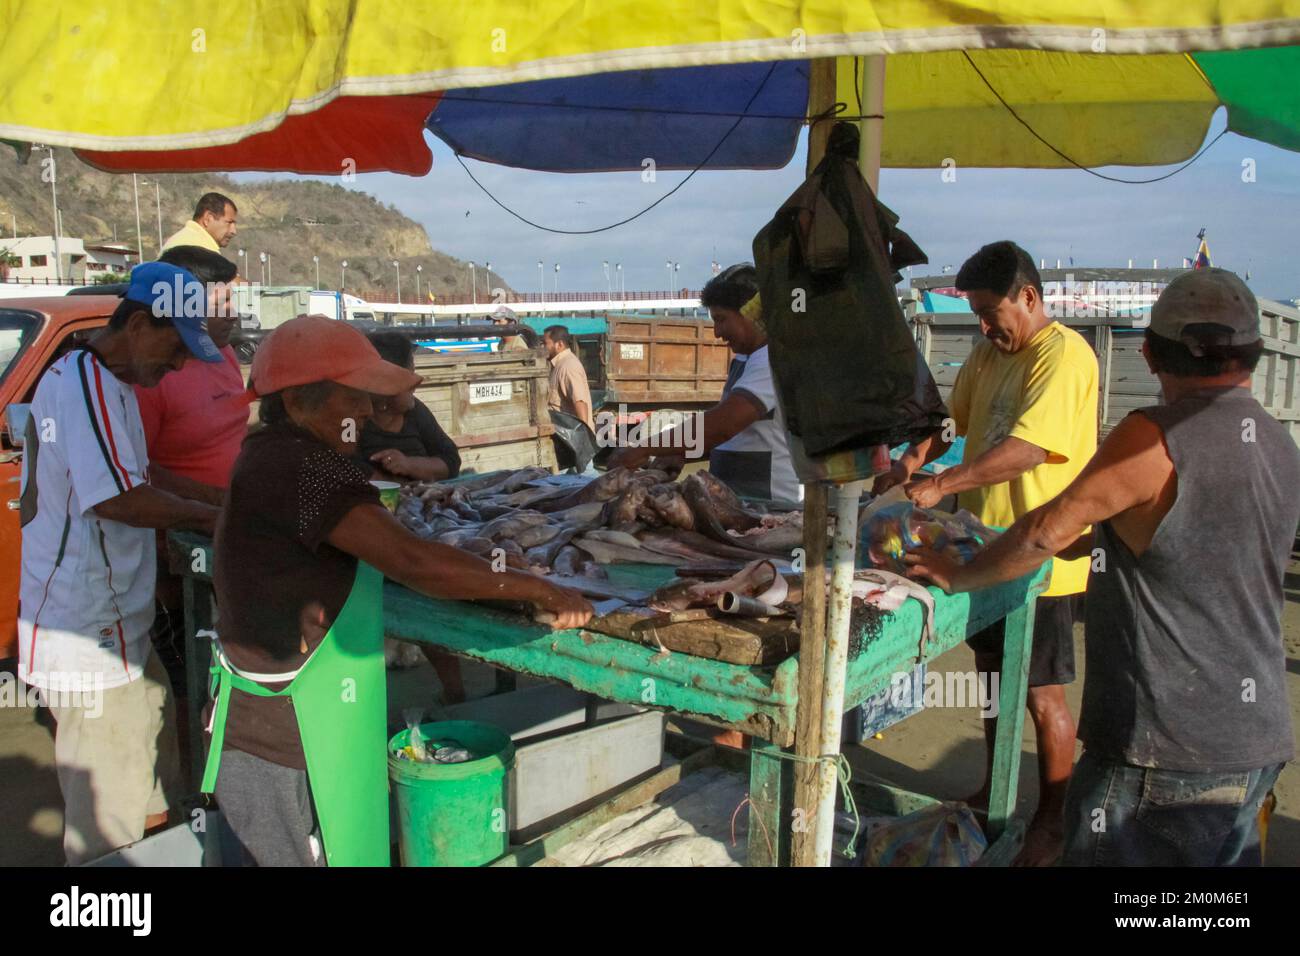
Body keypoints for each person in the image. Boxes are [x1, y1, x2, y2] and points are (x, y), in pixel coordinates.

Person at [906, 268, 1299, 867]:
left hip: (1162, 748)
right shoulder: (1277, 443)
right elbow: (1155, 538)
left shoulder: (1152, 437)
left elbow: (1046, 529)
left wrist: (959, 574)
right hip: (1257, 741)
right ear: (1252, 353)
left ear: (1147, 353)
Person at [209, 315, 592, 866]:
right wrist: (535, 587)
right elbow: (415, 562)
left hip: (301, 709)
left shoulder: (275, 451)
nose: (368, 413)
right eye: (354, 398)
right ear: (297, 402)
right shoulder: (303, 467)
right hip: (279, 725)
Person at [872, 241, 1097, 866]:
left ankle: (1052, 817)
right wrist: (917, 456)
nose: (983, 325)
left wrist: (941, 483)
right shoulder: (986, 353)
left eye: (989, 311)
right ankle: (994, 788)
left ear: (1027, 298)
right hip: (981, 554)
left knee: (1043, 693)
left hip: (1038, 557)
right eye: (973, 312)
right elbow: (954, 422)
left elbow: (1030, 447)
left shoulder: (1065, 356)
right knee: (997, 682)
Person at [17, 262, 223, 864]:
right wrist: (222, 521)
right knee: (105, 823)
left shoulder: (110, 384)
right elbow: (119, 498)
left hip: (116, 626)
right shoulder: (84, 383)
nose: (179, 365)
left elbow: (140, 473)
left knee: (151, 767)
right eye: (176, 346)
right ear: (137, 324)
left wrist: (221, 497)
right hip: (86, 631)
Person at [608, 264, 800, 502]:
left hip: (769, 502)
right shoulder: (744, 360)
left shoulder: (773, 358)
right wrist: (682, 453)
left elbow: (724, 424)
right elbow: (734, 437)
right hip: (737, 500)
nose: (717, 332)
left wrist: (644, 448)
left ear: (752, 313)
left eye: (721, 319)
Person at [135, 246, 246, 503]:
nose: (233, 315)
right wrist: (215, 502)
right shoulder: (151, 378)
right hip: (190, 527)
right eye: (221, 304)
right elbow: (139, 470)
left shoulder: (224, 352)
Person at [358, 332, 460, 483]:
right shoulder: (350, 419)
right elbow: (345, 464)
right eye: (409, 376)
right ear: (387, 385)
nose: (416, 384)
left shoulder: (416, 411)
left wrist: (408, 464)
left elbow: (451, 461)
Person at [542, 325, 595, 432]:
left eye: (546, 343)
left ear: (559, 344)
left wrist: (583, 436)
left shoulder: (568, 366)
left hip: (571, 441)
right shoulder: (558, 365)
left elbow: (580, 402)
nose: (543, 347)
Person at [162, 192, 238, 253]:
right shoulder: (201, 251)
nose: (234, 231)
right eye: (229, 222)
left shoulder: (180, 240)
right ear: (208, 218)